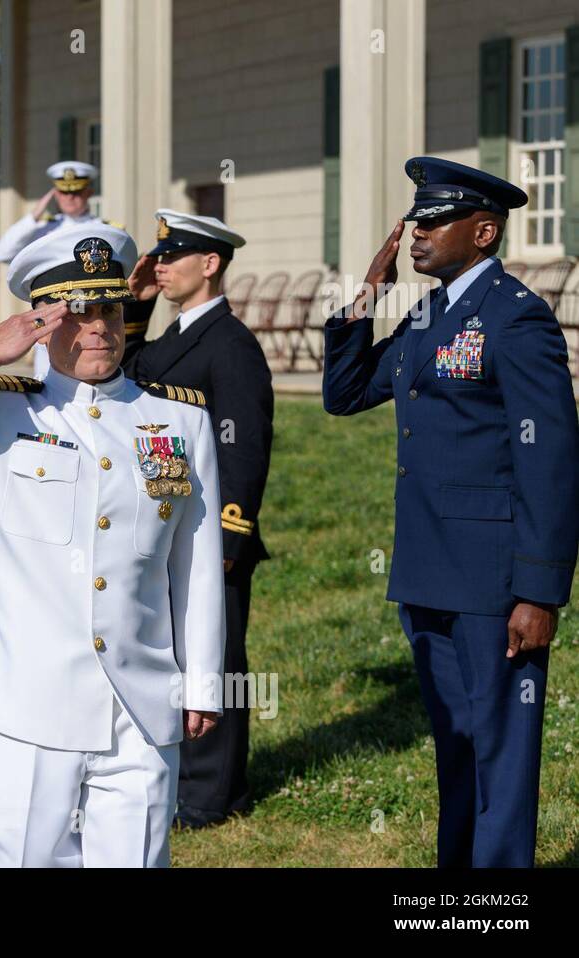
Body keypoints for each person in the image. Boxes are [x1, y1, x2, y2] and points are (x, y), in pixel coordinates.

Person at [0, 223, 225, 867]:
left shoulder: (179, 419)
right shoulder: (0, 414)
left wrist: (201, 680)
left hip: (142, 707)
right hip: (28, 703)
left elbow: (196, 562)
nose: (98, 327)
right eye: (78, 312)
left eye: (110, 309)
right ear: (42, 323)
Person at [323, 156, 579, 868]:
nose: (416, 232)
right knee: (457, 744)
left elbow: (551, 459)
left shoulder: (516, 317)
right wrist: (368, 295)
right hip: (427, 570)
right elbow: (345, 395)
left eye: (435, 220)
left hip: (494, 582)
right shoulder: (428, 311)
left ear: (485, 230)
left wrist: (539, 590)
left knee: (500, 750)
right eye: (415, 219)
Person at [121, 209, 273, 829]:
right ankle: (185, 776)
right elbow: (127, 377)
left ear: (209, 264)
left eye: (172, 256)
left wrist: (232, 533)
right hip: (170, 526)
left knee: (218, 661)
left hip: (213, 530)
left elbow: (245, 445)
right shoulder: (173, 337)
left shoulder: (231, 344)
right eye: (159, 256)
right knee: (179, 652)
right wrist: (134, 309)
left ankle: (215, 794)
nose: (159, 265)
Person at [0, 162, 124, 378]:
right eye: (63, 193)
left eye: (77, 192)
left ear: (89, 192)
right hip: (57, 315)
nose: (70, 198)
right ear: (56, 194)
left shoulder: (107, 229)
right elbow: (3, 252)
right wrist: (34, 216)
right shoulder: (45, 227)